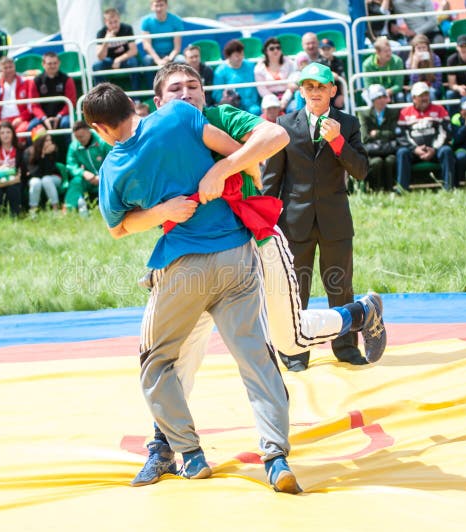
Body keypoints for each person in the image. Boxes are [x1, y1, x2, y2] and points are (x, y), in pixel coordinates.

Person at [125, 62, 386, 485]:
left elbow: (274, 136)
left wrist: (224, 168)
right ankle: (164, 443)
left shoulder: (219, 119)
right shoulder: (152, 136)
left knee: (289, 339)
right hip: (190, 258)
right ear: (159, 103)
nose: (187, 92)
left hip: (254, 242)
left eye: (194, 85)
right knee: (174, 353)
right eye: (176, 88)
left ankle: (359, 314)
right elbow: (123, 209)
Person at [84, 82, 302, 494]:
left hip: (184, 266)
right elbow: (230, 147)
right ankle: (276, 457)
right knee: (257, 358)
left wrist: (162, 211)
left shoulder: (113, 167)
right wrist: (231, 170)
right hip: (237, 253)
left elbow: (118, 229)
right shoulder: (180, 115)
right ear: (134, 104)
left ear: (101, 129)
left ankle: (190, 453)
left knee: (156, 362)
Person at [262, 63, 370, 369]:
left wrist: (339, 142)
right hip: (293, 222)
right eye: (309, 87)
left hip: (335, 219)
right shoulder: (283, 124)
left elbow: (361, 170)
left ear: (333, 90)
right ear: (301, 91)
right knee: (296, 290)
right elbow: (271, 180)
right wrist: (266, 224)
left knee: (341, 286)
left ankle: (347, 348)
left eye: (321, 86)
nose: (315, 92)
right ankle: (295, 352)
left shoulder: (347, 124)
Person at [396, 81, 456, 190]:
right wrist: (415, 149)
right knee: (402, 152)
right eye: (421, 96)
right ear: (413, 98)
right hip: (415, 152)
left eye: (426, 95)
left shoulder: (440, 110)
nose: (424, 98)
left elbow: (446, 132)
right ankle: (402, 189)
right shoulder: (404, 113)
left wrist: (434, 148)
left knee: (446, 150)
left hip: (436, 150)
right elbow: (402, 136)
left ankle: (449, 188)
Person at [66, 120, 111, 216]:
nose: (80, 140)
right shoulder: (74, 146)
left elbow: (113, 161)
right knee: (76, 182)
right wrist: (83, 173)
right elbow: (71, 166)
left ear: (88, 131)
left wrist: (103, 176)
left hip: (107, 178)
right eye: (77, 137)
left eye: (81, 136)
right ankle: (70, 210)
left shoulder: (102, 141)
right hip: (89, 179)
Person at [359, 84, 399, 191]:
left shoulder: (393, 112)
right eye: (378, 98)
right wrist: (385, 134)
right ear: (372, 100)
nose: (381, 100)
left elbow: (394, 133)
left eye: (383, 97)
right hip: (372, 152)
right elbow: (365, 137)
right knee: (376, 162)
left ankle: (390, 189)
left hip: (388, 149)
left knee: (391, 160)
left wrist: (377, 134)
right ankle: (376, 190)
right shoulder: (364, 114)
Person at [0, 57, 34, 138]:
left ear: (14, 67)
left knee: (21, 132)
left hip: (20, 119)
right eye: (5, 68)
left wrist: (21, 118)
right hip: (2, 121)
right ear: (0, 70)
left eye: (10, 67)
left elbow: (31, 106)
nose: (8, 70)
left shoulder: (26, 82)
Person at [28, 52, 77, 133]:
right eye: (50, 63)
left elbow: (71, 102)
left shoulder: (67, 80)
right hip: (43, 117)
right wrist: (44, 118)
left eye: (55, 63)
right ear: (43, 64)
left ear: (59, 63)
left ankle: (70, 146)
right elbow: (34, 105)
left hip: (63, 116)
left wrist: (59, 116)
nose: (53, 66)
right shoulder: (36, 81)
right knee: (32, 126)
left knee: (67, 123)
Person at [140, 0, 184, 87]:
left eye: (161, 5)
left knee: (181, 60)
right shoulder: (146, 21)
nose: (159, 8)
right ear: (152, 7)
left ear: (166, 5)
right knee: (147, 60)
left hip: (171, 55)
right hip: (154, 56)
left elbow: (177, 47)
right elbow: (146, 45)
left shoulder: (176, 20)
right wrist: (158, 60)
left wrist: (169, 59)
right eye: (156, 6)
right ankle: (151, 92)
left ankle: (179, 88)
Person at [93, 7, 139, 90]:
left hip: (125, 59)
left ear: (119, 19)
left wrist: (118, 59)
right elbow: (100, 57)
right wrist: (106, 41)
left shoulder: (127, 29)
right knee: (96, 66)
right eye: (110, 23)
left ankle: (136, 98)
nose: (114, 25)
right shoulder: (101, 33)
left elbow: (133, 50)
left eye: (116, 22)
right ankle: (102, 96)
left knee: (134, 62)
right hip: (108, 60)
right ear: (105, 22)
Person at [212, 39, 261, 115]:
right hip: (232, 107)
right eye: (237, 56)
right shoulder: (220, 71)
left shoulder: (251, 66)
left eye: (242, 54)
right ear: (229, 56)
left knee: (256, 110)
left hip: (252, 105)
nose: (240, 57)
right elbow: (217, 94)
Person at [254, 37, 296, 112]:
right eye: (272, 48)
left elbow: (291, 85)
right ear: (266, 51)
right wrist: (275, 101)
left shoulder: (289, 63)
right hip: (269, 99)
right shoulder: (259, 68)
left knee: (293, 108)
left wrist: (284, 101)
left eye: (278, 48)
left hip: (288, 97)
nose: (276, 50)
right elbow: (262, 89)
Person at [26, 133, 63, 214]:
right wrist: (42, 155)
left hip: (53, 177)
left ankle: (55, 209)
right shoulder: (28, 152)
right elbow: (34, 173)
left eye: (50, 140)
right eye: (46, 140)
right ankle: (33, 210)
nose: (50, 143)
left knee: (46, 180)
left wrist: (47, 155)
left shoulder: (53, 151)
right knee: (36, 182)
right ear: (39, 142)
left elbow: (48, 171)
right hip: (36, 178)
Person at [362, 37, 406, 103]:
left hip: (392, 92)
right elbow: (368, 86)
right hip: (375, 93)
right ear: (377, 52)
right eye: (385, 51)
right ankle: (373, 113)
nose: (389, 53)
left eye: (389, 50)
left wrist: (388, 92)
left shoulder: (397, 61)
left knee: (400, 96)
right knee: (365, 95)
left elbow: (399, 85)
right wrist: (380, 94)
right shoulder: (367, 64)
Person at [407, 33, 443, 101]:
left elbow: (438, 81)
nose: (422, 50)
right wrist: (415, 65)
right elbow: (413, 82)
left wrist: (427, 88)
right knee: (410, 97)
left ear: (428, 48)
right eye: (419, 48)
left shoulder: (435, 59)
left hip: (432, 87)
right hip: (417, 89)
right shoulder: (409, 61)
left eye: (424, 47)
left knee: (431, 93)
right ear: (414, 50)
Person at [317, 38, 346, 109]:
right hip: (321, 94)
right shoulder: (317, 63)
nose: (326, 51)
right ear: (319, 50)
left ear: (333, 49)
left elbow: (343, 80)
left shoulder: (338, 62)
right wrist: (330, 75)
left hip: (336, 93)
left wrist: (343, 96)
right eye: (323, 49)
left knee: (348, 103)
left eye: (328, 49)